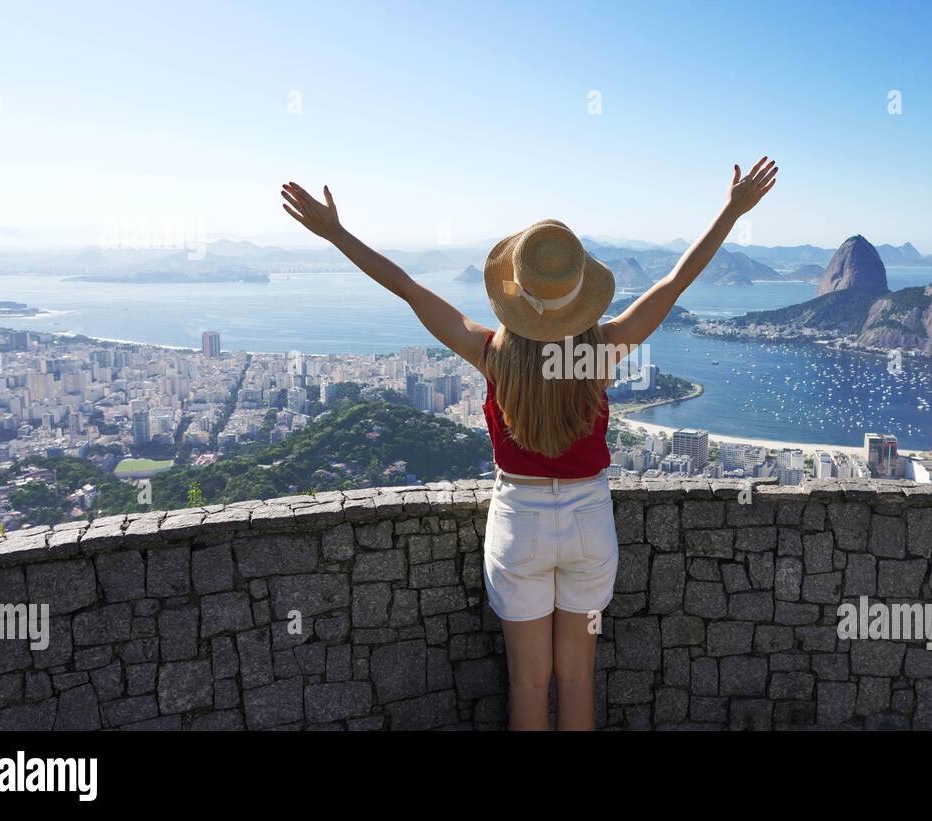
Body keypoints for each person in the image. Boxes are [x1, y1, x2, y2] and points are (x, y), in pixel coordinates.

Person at [279, 157, 778, 729]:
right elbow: (674, 282)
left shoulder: (494, 353)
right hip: (590, 523)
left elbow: (410, 290)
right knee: (577, 680)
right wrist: (731, 211)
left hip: (519, 526)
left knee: (527, 684)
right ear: (580, 292)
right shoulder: (602, 350)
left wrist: (337, 234)